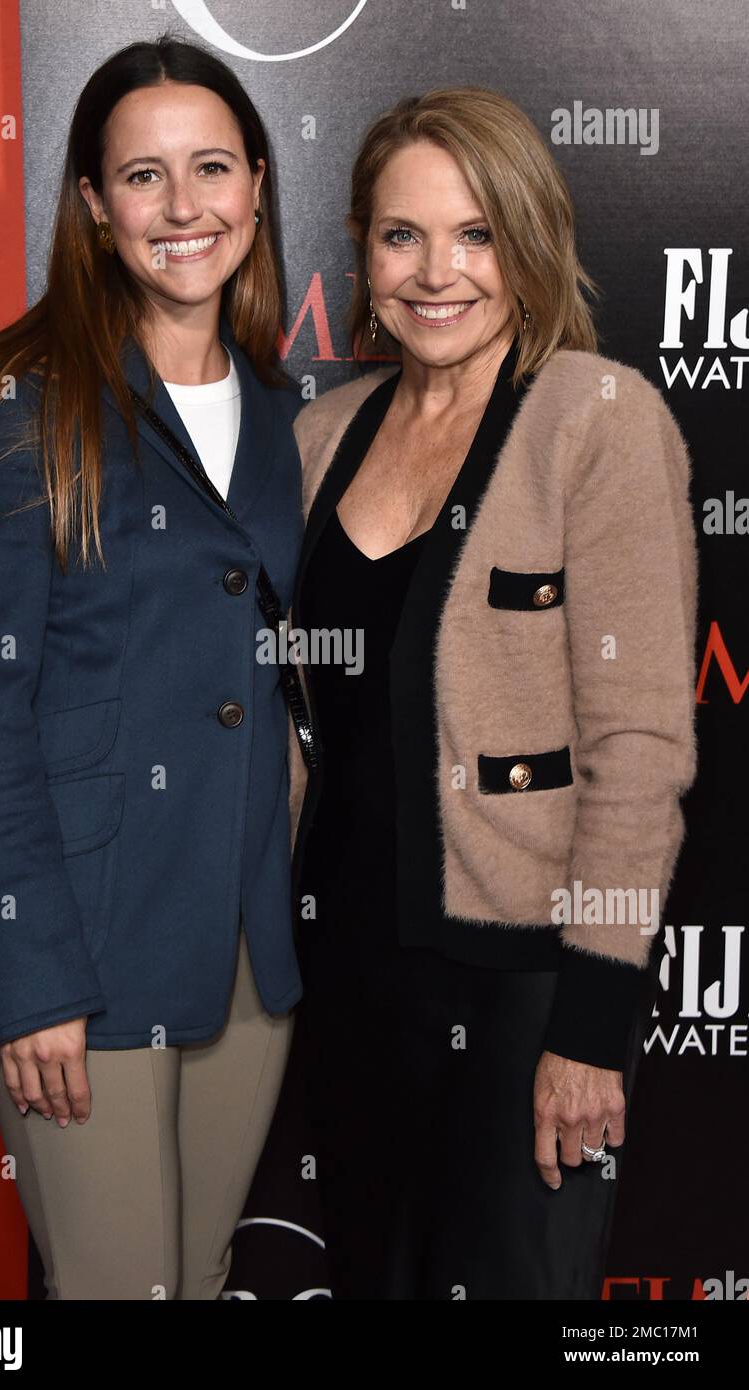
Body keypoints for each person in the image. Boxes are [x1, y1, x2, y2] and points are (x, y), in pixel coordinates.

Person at [0, 35, 305, 1301]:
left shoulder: (295, 414)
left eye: (209, 169)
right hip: (78, 949)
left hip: (246, 949)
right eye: (142, 176)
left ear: (255, 183)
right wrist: (31, 986)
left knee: (187, 1280)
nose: (182, 209)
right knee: (119, 1288)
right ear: (90, 203)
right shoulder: (11, 401)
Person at [286, 87, 697, 1299]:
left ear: (527, 243)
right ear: (360, 251)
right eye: (401, 235)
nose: (435, 273)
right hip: (349, 976)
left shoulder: (593, 419)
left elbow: (637, 744)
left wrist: (588, 1022)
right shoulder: (323, 434)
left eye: (473, 235)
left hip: (521, 987)